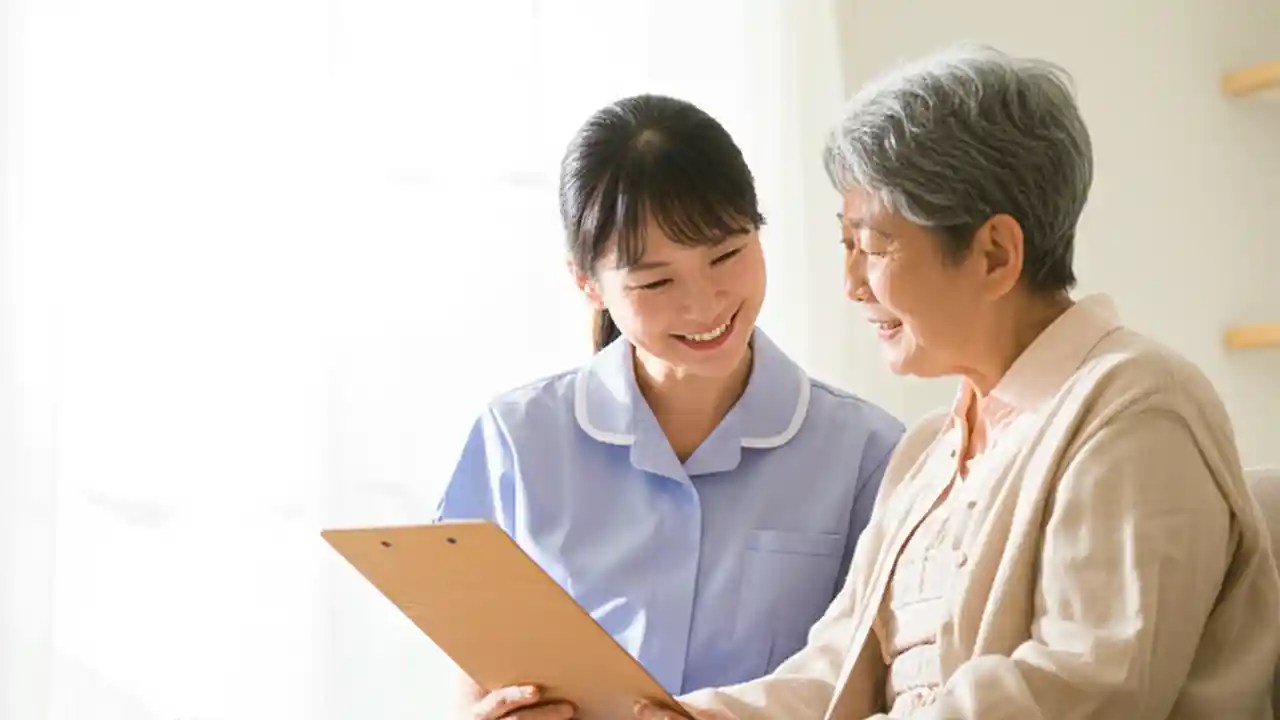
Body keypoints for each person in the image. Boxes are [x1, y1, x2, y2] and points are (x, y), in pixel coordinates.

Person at [635, 45, 1280, 720]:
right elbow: (833, 674)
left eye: (873, 245)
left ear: (994, 253)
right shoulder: (925, 453)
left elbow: (1083, 686)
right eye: (844, 244)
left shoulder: (1137, 411)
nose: (851, 284)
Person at [435, 94, 904, 717]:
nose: (705, 304)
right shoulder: (516, 438)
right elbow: (478, 666)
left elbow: (885, 686)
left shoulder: (867, 454)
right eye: (656, 282)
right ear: (587, 283)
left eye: (726, 255)